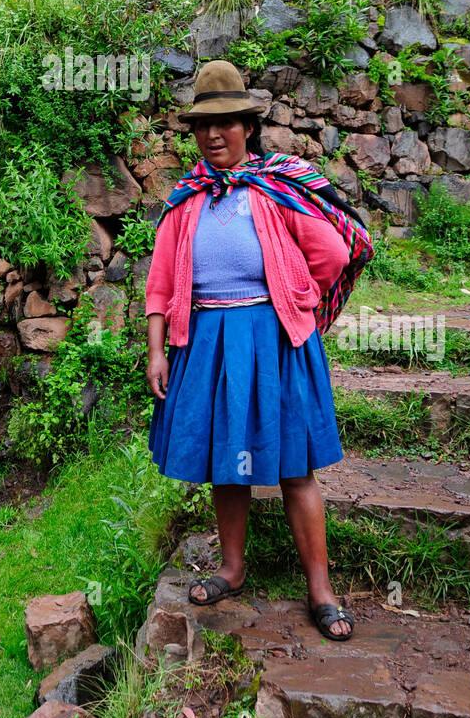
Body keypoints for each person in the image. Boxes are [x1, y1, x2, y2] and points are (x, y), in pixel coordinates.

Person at [145, 59, 374, 640]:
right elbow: (162, 286)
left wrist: (297, 306)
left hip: (274, 342)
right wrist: (156, 350)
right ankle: (232, 567)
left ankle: (320, 588)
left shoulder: (276, 188)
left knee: (294, 466)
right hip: (209, 342)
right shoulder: (186, 200)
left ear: (248, 126)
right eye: (203, 126)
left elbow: (334, 252)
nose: (213, 136)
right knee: (230, 463)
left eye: (225, 124)